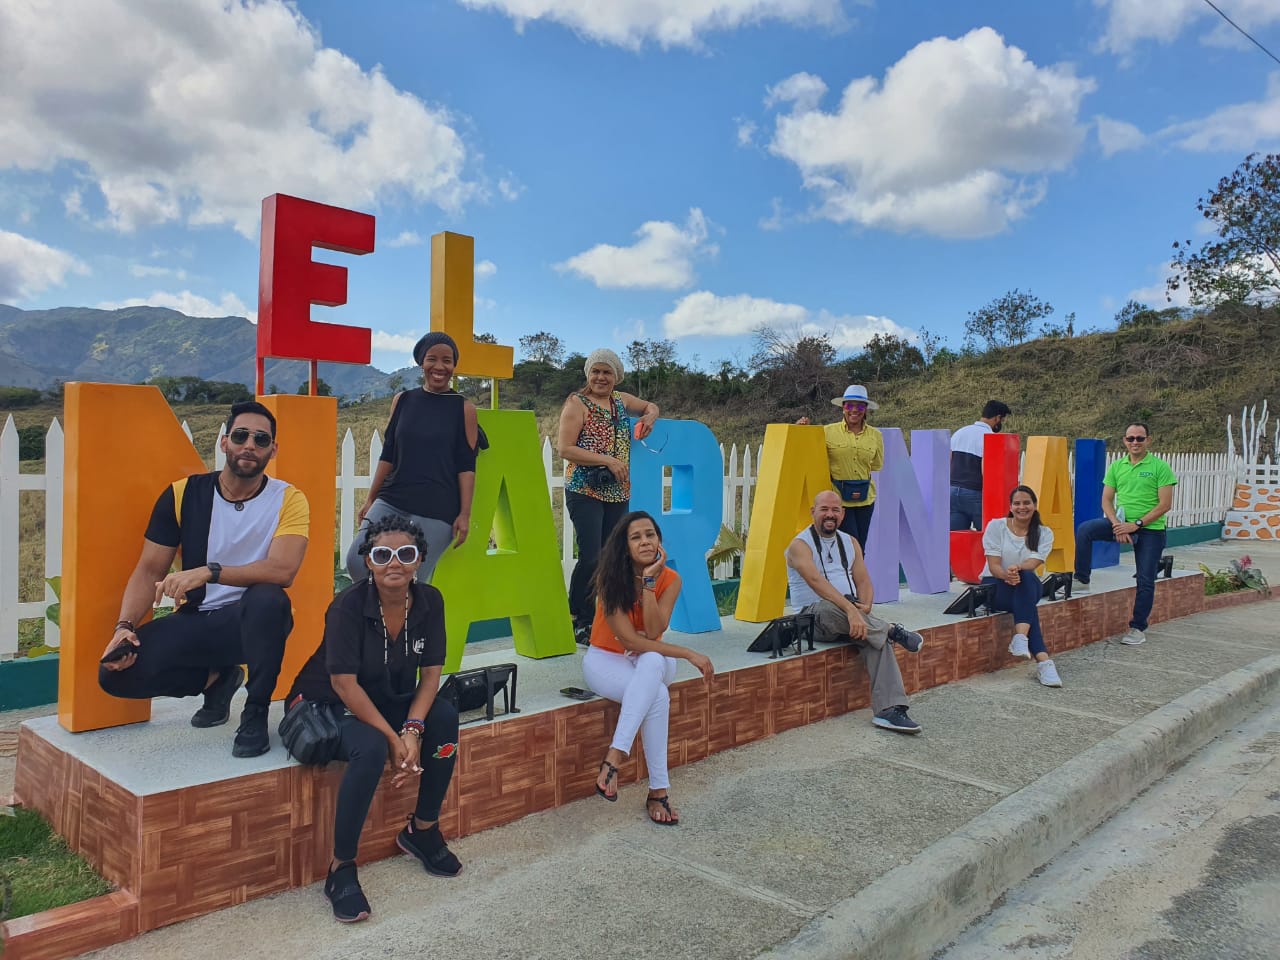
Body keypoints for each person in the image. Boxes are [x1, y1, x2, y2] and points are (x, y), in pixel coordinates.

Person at [98, 401, 309, 758]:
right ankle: (218, 680)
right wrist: (123, 626)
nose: (250, 445)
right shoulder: (183, 494)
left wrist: (211, 571)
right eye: (241, 435)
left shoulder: (288, 499)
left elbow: (282, 571)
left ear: (273, 450)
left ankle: (254, 712)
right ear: (225, 442)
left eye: (261, 439)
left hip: (252, 624)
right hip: (197, 621)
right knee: (115, 675)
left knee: (269, 599)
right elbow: (149, 570)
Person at [287, 515, 461, 923]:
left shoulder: (431, 601)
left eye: (406, 554)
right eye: (382, 554)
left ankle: (422, 829)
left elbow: (431, 675)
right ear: (368, 561)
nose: (394, 563)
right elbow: (345, 685)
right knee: (367, 747)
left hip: (386, 699)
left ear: (420, 560)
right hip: (327, 702)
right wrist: (395, 739)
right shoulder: (347, 607)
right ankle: (341, 868)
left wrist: (414, 729)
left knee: (446, 716)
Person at [584, 511, 714, 825]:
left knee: (654, 661)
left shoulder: (671, 579)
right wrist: (686, 652)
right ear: (624, 546)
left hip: (650, 659)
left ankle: (615, 756)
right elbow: (630, 639)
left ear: (659, 540)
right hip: (606, 658)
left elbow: (654, 629)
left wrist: (650, 583)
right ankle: (659, 791)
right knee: (656, 694)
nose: (645, 542)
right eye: (636, 537)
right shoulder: (609, 579)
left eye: (650, 535)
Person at [785, 491, 925, 734]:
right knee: (832, 607)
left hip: (851, 617)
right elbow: (816, 582)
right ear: (813, 512)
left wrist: (865, 606)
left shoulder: (850, 542)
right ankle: (891, 629)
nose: (830, 514)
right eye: (824, 509)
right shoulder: (799, 545)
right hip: (814, 618)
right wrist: (850, 609)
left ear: (843, 513)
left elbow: (863, 581)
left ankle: (890, 710)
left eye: (835, 510)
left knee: (878, 642)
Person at [346, 331, 478, 584]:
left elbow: (466, 465)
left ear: (454, 366)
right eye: (432, 359)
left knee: (412, 578)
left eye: (447, 360)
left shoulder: (463, 408)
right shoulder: (403, 400)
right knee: (357, 561)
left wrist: (464, 513)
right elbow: (389, 453)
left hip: (437, 507)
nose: (440, 367)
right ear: (421, 363)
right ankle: (372, 620)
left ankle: (405, 624)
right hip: (393, 497)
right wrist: (371, 498)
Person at [557, 349, 659, 643]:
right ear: (588, 374)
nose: (601, 377)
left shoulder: (621, 401)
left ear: (616, 376)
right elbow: (565, 448)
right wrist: (609, 460)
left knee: (615, 557)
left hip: (617, 492)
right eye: (596, 372)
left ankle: (610, 616)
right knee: (592, 556)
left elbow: (651, 405)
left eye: (607, 372)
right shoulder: (578, 403)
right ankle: (580, 617)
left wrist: (650, 416)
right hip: (584, 489)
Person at [1074, 422, 1177, 645]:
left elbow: (1165, 504)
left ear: (1148, 440)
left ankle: (1137, 628)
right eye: (1130, 439)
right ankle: (1082, 578)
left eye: (1140, 438)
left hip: (1151, 530)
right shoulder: (1117, 466)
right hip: (1122, 523)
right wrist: (1117, 525)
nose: (1135, 443)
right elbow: (1106, 499)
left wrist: (1136, 524)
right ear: (1124, 441)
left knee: (1145, 579)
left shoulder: (1160, 467)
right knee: (1085, 530)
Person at [981, 485, 1062, 687]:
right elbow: (993, 566)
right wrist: (1006, 575)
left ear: (1034, 505)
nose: (1021, 507)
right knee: (1028, 606)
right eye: (1017, 503)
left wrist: (1016, 569)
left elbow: (1033, 563)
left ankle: (1021, 638)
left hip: (1024, 583)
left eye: (1026, 502)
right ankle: (1043, 661)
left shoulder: (1044, 533)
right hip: (996, 585)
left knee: (1026, 576)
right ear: (1011, 506)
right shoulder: (996, 526)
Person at [798, 385, 884, 555]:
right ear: (843, 408)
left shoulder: (875, 435)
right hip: (839, 500)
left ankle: (854, 580)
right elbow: (810, 451)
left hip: (866, 499)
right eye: (849, 405)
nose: (854, 410)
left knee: (860, 546)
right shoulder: (827, 432)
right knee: (849, 545)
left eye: (859, 406)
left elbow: (877, 464)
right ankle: (846, 579)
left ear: (866, 409)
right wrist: (800, 430)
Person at [949, 400, 1011, 531]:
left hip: (953, 491)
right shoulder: (990, 437)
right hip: (975, 493)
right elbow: (986, 471)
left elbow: (948, 461)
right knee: (986, 537)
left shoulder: (960, 432)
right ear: (997, 418)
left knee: (956, 538)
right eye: (1002, 420)